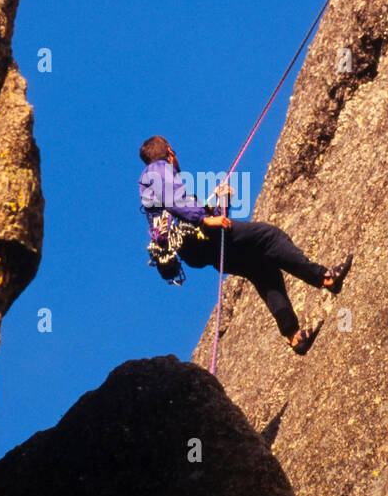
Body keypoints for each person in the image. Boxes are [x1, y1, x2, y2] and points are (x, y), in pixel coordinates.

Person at [138, 135, 352, 354]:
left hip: (197, 248)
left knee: (263, 269)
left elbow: (206, 220)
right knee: (269, 236)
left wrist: (222, 205)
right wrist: (205, 218)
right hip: (197, 238)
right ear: (170, 152)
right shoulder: (157, 170)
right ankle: (325, 277)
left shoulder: (154, 184)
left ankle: (293, 335)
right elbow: (179, 203)